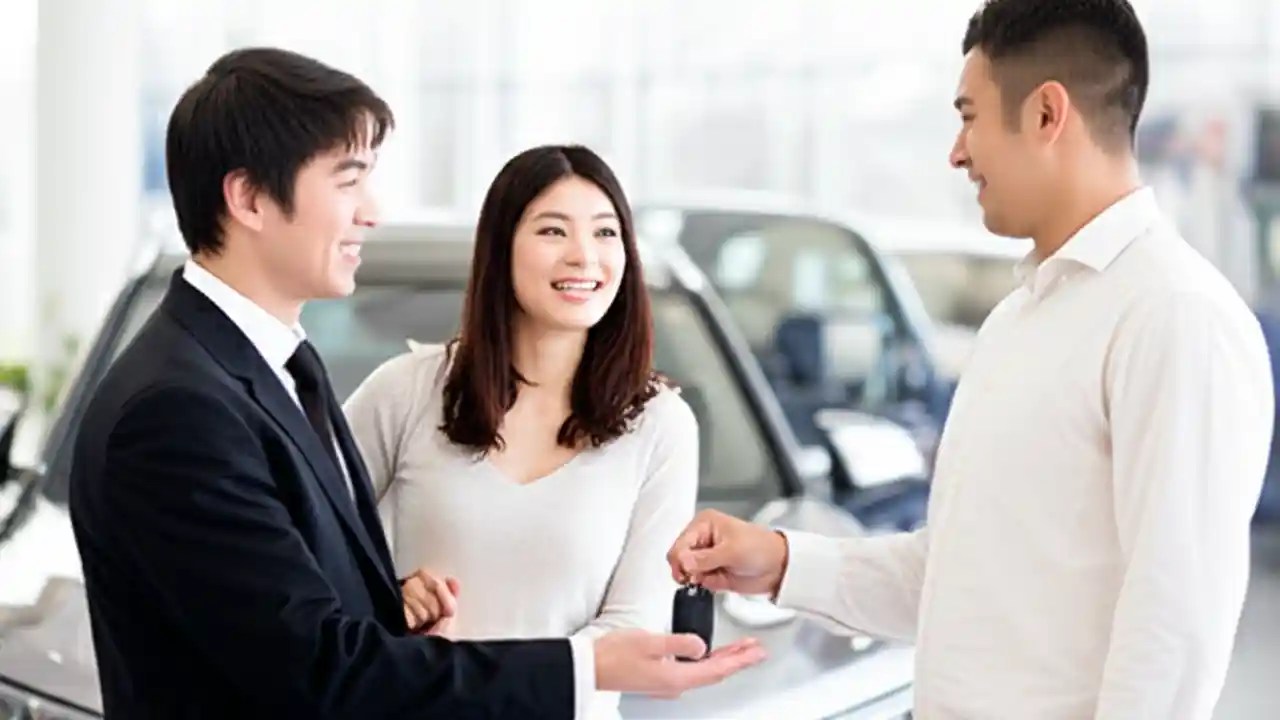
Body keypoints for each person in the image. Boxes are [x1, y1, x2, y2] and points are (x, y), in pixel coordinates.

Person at [67, 47, 763, 719]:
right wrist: (586, 666)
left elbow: (295, 614)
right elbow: (317, 673)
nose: (373, 210)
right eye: (348, 180)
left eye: (607, 234)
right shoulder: (179, 411)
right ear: (249, 197)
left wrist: (388, 611)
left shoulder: (272, 372)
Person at [667, 1, 1273, 718]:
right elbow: (956, 578)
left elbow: (1175, 625)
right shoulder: (1019, 319)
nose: (956, 152)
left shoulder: (1174, 314)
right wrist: (782, 559)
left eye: (969, 116)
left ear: (1048, 115)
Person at [342, 144, 700, 719]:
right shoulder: (406, 391)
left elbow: (630, 630)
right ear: (501, 246)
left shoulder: (661, 425)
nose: (584, 257)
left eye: (606, 234)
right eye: (553, 231)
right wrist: (390, 598)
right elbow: (310, 552)